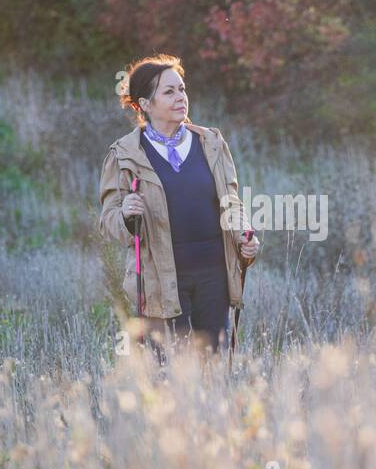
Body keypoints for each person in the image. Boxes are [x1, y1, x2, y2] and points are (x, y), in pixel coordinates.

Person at [98, 54, 260, 360]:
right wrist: (125, 214)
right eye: (169, 92)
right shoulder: (124, 155)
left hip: (215, 278)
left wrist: (243, 236)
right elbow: (108, 222)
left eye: (182, 89)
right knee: (172, 378)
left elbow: (231, 203)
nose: (180, 97)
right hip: (161, 283)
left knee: (214, 371)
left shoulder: (211, 143)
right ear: (145, 104)